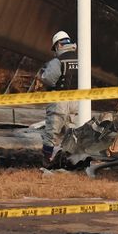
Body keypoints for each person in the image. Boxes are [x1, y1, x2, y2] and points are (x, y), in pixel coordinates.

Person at [39, 30, 79, 166]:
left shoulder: (57, 61)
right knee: (73, 130)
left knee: (52, 131)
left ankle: (46, 160)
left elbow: (48, 79)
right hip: (77, 100)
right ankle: (71, 160)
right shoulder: (81, 58)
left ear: (58, 45)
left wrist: (42, 73)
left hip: (59, 100)